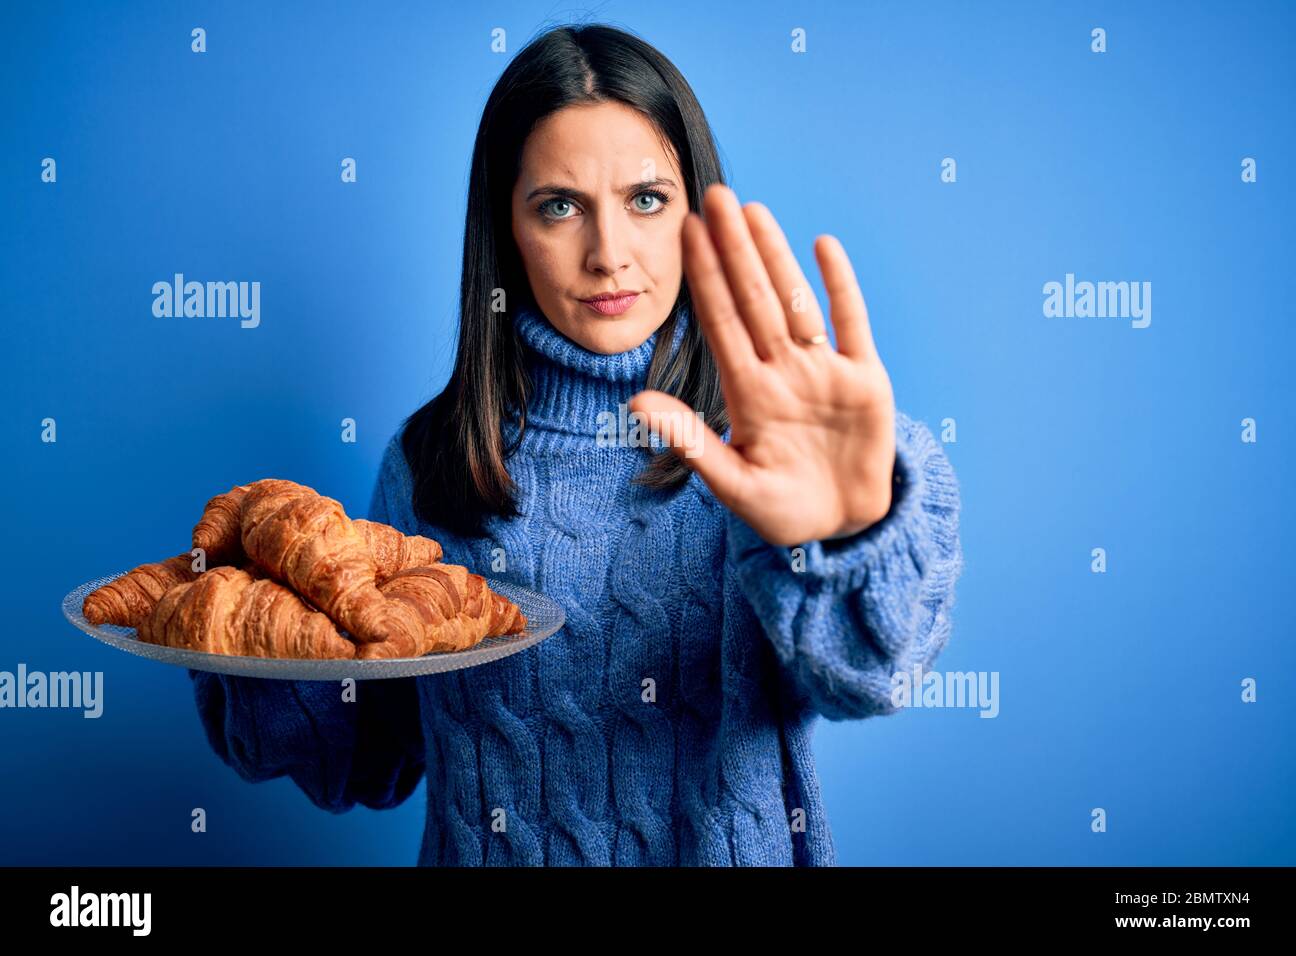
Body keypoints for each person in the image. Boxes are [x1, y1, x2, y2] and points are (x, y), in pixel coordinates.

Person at [190, 22, 963, 866]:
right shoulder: (431, 466)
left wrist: (846, 537)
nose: (609, 254)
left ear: (696, 211)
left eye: (646, 199)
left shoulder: (775, 451)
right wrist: (251, 648)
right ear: (507, 231)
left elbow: (867, 675)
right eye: (560, 206)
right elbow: (371, 763)